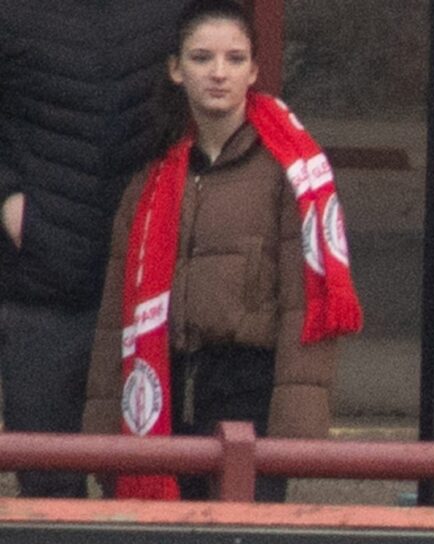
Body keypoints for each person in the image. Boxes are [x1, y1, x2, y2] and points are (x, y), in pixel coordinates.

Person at [81, 0, 360, 502]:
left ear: (253, 71)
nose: (218, 73)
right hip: (163, 391)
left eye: (235, 59)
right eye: (201, 58)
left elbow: (304, 309)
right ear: (175, 69)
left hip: (248, 393)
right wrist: (104, 436)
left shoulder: (290, 172)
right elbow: (114, 321)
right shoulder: (151, 179)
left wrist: (293, 439)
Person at [0, 0, 187, 497]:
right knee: (47, 476)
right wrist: (9, 199)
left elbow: (218, 91)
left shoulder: (176, 11)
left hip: (148, 285)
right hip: (42, 283)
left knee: (148, 481)